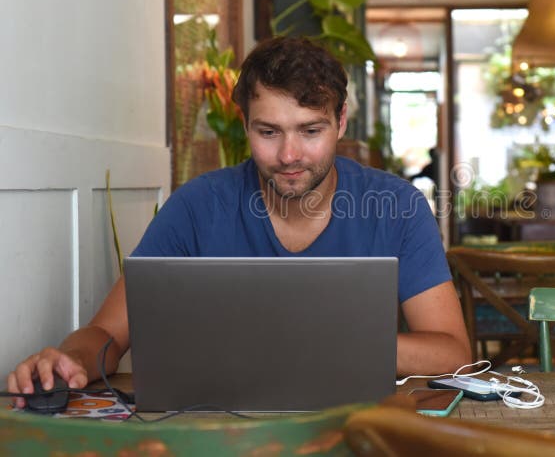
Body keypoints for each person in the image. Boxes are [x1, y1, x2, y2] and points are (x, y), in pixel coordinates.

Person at [7, 37, 471, 406]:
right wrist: (70, 359)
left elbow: (454, 356)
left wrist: (312, 340)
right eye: (268, 132)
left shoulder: (397, 206)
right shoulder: (197, 206)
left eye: (310, 131)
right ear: (245, 123)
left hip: (354, 432)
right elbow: (107, 333)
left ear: (342, 120)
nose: (289, 156)